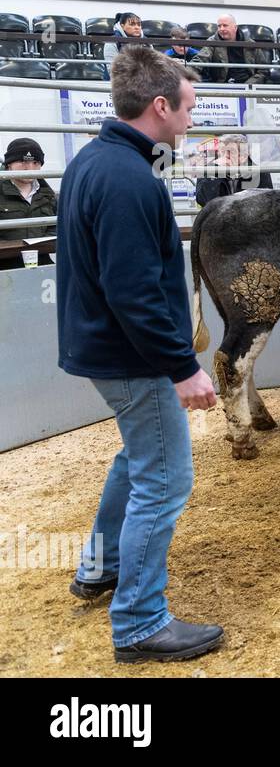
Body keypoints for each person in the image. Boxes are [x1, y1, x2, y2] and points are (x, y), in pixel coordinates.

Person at [56, 45, 223, 663]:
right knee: (164, 479)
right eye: (187, 109)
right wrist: (180, 366)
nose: (189, 121)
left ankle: (102, 568)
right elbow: (132, 289)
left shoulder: (97, 160)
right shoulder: (129, 177)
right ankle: (140, 622)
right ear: (160, 105)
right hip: (132, 356)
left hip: (104, 348)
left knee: (137, 459)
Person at [0, 138, 57, 242]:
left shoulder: (49, 195)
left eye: (35, 162)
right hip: (6, 256)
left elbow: (58, 227)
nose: (30, 168)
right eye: (23, 161)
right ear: (9, 164)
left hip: (41, 256)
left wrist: (41, 245)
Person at [194, 134, 273, 207]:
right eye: (222, 151)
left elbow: (264, 205)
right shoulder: (208, 170)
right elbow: (204, 200)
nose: (225, 156)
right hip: (217, 219)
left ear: (243, 156)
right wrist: (217, 172)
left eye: (230, 151)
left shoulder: (259, 173)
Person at [194, 14, 265, 85]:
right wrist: (187, 75)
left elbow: (263, 70)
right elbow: (199, 60)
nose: (221, 29)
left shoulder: (250, 43)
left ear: (235, 27)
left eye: (225, 25)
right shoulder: (212, 41)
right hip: (222, 86)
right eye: (219, 26)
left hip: (247, 87)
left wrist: (248, 85)